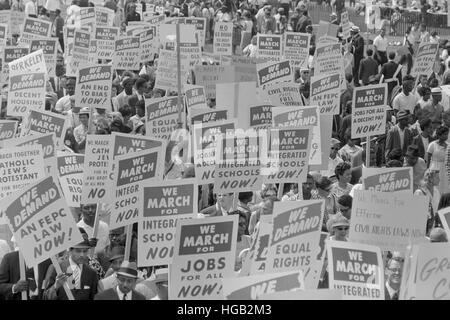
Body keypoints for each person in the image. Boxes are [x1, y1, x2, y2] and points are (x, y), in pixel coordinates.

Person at [414, 169, 440, 234]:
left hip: (434, 228)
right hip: (422, 229)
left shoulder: (437, 191)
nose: (439, 179)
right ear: (430, 179)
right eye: (437, 177)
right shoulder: (419, 193)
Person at [427, 126, 449, 194]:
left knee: (445, 186)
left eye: (447, 134)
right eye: (444, 134)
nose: (446, 136)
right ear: (439, 135)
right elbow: (428, 159)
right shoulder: (432, 145)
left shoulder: (448, 145)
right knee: (435, 186)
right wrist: (427, 170)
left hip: (445, 169)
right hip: (434, 168)